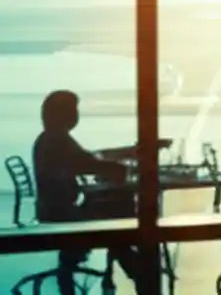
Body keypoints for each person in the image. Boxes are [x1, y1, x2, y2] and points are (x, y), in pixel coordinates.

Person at [33, 90, 140, 295]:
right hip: (62, 213)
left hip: (57, 208)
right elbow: (86, 163)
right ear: (62, 113)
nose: (76, 115)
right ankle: (135, 269)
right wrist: (118, 169)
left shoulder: (53, 137)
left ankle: (124, 264)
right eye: (73, 110)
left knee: (113, 213)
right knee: (115, 218)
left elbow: (86, 159)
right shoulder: (57, 139)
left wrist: (119, 156)